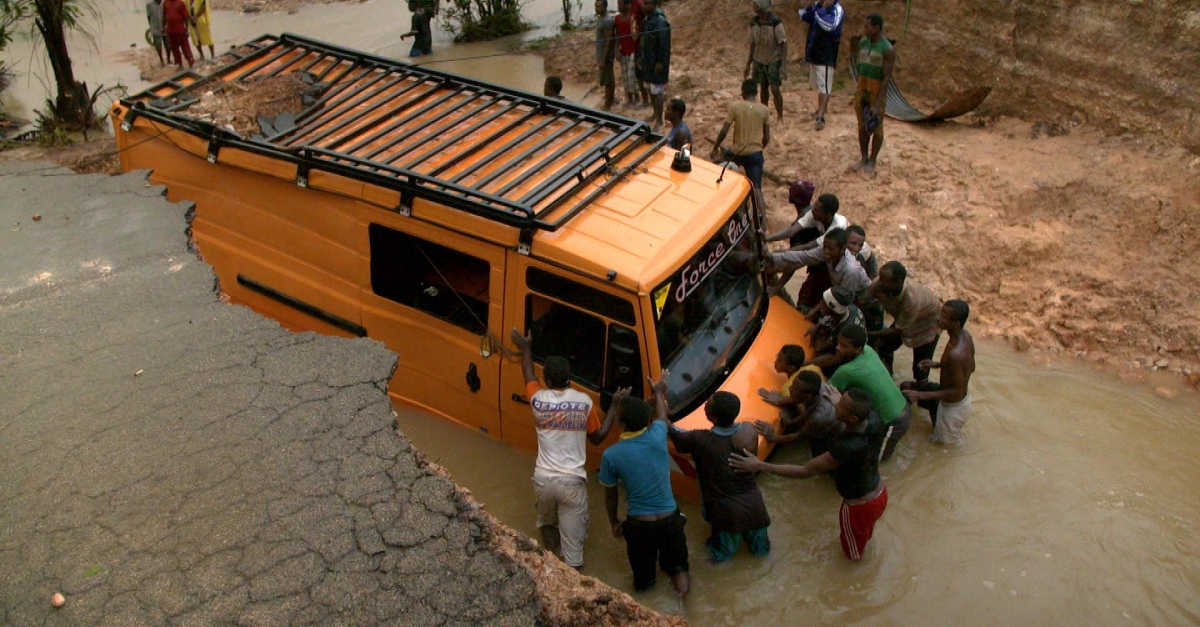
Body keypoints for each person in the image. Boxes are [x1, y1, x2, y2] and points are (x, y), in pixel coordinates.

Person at [732, 387, 888, 561]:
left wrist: (760, 465)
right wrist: (841, 404)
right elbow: (856, 425)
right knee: (864, 534)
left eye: (841, 405)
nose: (835, 405)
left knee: (852, 556)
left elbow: (806, 470)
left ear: (852, 418)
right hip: (880, 493)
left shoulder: (846, 448)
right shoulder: (875, 420)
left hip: (859, 507)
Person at [511, 329, 618, 570]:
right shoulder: (584, 402)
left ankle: (551, 565)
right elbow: (598, 438)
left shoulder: (538, 400)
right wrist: (614, 406)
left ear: (546, 382)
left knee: (547, 524)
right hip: (572, 483)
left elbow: (528, 373)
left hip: (544, 480)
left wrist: (526, 347)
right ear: (569, 378)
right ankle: (571, 586)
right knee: (574, 557)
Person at [601, 373, 690, 596]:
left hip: (640, 527)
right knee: (678, 570)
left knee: (643, 580)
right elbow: (661, 414)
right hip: (670, 519)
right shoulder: (658, 434)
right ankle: (686, 611)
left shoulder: (611, 455)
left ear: (620, 424)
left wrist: (614, 521)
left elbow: (611, 495)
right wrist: (659, 391)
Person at [669, 392, 771, 562]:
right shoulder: (748, 431)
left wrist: (659, 398)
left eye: (707, 404)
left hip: (727, 516)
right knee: (762, 557)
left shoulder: (700, 439)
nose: (704, 405)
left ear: (713, 418)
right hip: (756, 509)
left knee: (720, 560)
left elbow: (671, 431)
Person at [828, 325, 911, 461]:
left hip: (894, 421)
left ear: (857, 348)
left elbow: (828, 392)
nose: (838, 347)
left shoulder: (846, 371)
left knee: (874, 461)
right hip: (901, 406)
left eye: (844, 345)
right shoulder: (868, 350)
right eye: (838, 343)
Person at [901, 299, 976, 444]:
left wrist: (920, 395)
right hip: (953, 399)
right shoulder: (965, 337)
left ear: (955, 324)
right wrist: (938, 364)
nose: (938, 317)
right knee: (906, 387)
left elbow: (955, 391)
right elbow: (970, 367)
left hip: (952, 409)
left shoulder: (956, 354)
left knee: (943, 449)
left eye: (943, 316)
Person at [867, 261, 941, 383]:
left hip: (927, 323)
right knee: (884, 345)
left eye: (884, 280)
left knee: (920, 367)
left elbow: (897, 330)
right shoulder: (878, 284)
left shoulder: (911, 298)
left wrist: (870, 333)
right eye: (880, 277)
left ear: (898, 282)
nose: (879, 281)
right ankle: (888, 378)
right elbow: (865, 302)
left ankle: (921, 390)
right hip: (904, 317)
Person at [767, 226, 870, 310]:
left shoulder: (851, 269)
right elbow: (802, 256)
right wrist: (770, 256)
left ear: (842, 249)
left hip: (861, 298)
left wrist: (814, 311)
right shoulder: (829, 249)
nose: (826, 251)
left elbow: (844, 300)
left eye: (830, 249)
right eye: (824, 246)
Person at [755, 369, 842, 459]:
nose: (789, 388)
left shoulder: (819, 417)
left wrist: (773, 437)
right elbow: (807, 408)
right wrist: (789, 418)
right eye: (792, 385)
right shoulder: (817, 386)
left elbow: (799, 436)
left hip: (833, 440)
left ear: (807, 397)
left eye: (794, 389)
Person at [851, 14, 895, 174]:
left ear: (876, 28)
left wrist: (877, 104)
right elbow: (859, 65)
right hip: (862, 90)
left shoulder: (887, 49)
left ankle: (873, 159)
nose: (865, 29)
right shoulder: (863, 43)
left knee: (876, 128)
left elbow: (886, 78)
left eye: (868, 26)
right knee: (862, 125)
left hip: (876, 93)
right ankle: (863, 157)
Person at [711, 79, 769, 191]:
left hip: (737, 152)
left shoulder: (735, 106)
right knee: (756, 188)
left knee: (720, 170)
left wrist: (715, 147)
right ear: (756, 93)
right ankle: (761, 208)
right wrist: (759, 148)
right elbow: (766, 137)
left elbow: (724, 131)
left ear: (743, 92)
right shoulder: (764, 110)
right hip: (755, 153)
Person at [799, 0, 843, 130]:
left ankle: (821, 116)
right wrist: (806, 7)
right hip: (815, 53)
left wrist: (819, 10)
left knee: (825, 87)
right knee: (820, 85)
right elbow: (804, 17)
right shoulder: (818, 6)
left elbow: (830, 26)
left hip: (826, 55)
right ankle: (821, 109)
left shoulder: (837, 10)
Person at [804, 286, 865, 375]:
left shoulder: (843, 333)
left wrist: (805, 365)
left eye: (824, 304)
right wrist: (817, 326)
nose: (820, 305)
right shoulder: (849, 308)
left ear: (833, 309)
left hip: (848, 356)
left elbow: (833, 358)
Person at [744, 0, 786, 120]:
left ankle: (780, 117)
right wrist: (748, 64)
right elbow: (752, 44)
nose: (753, 6)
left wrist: (783, 65)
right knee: (763, 88)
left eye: (756, 4)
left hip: (773, 58)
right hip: (759, 59)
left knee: (774, 88)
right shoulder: (754, 22)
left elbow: (783, 43)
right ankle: (765, 115)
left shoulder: (775, 21)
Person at [638, 0, 671, 129]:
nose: (645, 6)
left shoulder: (660, 22)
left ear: (655, 5)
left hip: (657, 63)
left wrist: (660, 62)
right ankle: (654, 113)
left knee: (657, 91)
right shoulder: (647, 20)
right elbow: (643, 41)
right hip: (648, 62)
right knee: (650, 88)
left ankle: (660, 119)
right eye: (644, 3)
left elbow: (664, 45)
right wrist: (641, 56)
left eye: (649, 4)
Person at [614, 0, 640, 105]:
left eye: (620, 4)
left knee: (631, 75)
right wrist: (617, 50)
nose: (618, 7)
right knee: (624, 75)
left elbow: (636, 34)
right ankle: (629, 97)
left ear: (627, 5)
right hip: (623, 50)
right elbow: (617, 35)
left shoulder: (632, 18)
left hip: (632, 50)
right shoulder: (617, 19)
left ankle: (636, 96)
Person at [595, 0, 617, 110]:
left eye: (599, 6)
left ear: (605, 6)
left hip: (606, 55)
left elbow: (610, 40)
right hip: (601, 53)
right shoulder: (601, 18)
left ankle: (608, 104)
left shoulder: (607, 20)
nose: (596, 8)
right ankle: (610, 99)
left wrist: (604, 58)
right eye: (596, 6)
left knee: (608, 80)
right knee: (606, 78)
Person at [162, 0, 194, 68]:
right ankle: (180, 64)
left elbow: (185, 16)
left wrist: (187, 29)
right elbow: (164, 15)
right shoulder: (166, 2)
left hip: (180, 30)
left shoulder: (181, 3)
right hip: (170, 31)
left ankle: (190, 62)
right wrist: (163, 27)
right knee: (174, 48)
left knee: (185, 47)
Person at [146, 0, 166, 68]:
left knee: (168, 45)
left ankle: (169, 59)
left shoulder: (165, 3)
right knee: (158, 45)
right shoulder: (149, 5)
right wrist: (150, 26)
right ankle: (161, 60)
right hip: (155, 27)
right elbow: (148, 16)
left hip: (165, 26)